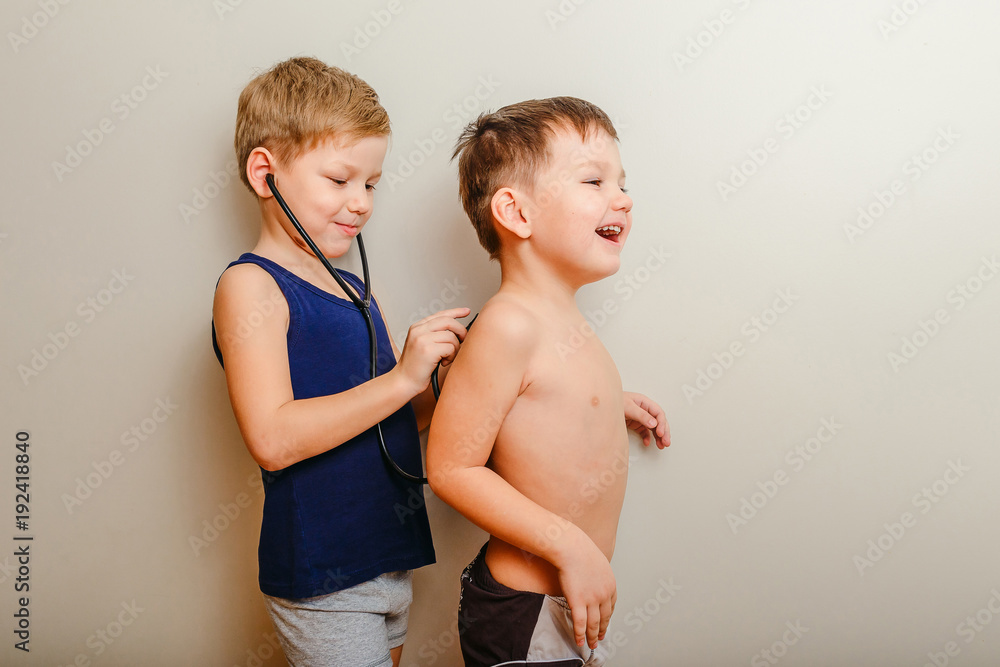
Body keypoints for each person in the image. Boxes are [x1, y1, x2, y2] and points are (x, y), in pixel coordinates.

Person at [211, 56, 469, 667]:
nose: (361, 203)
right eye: (339, 179)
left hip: (387, 558)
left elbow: (393, 427)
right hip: (325, 572)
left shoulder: (357, 291)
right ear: (264, 173)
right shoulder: (251, 287)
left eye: (371, 183)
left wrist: (445, 379)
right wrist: (404, 377)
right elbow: (272, 438)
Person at [427, 97, 671, 667]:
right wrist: (570, 548)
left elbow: (540, 403)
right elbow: (451, 467)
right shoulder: (509, 323)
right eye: (594, 180)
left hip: (570, 598)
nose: (623, 198)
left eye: (622, 183)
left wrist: (610, 403)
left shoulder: (562, 319)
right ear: (516, 213)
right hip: (525, 608)